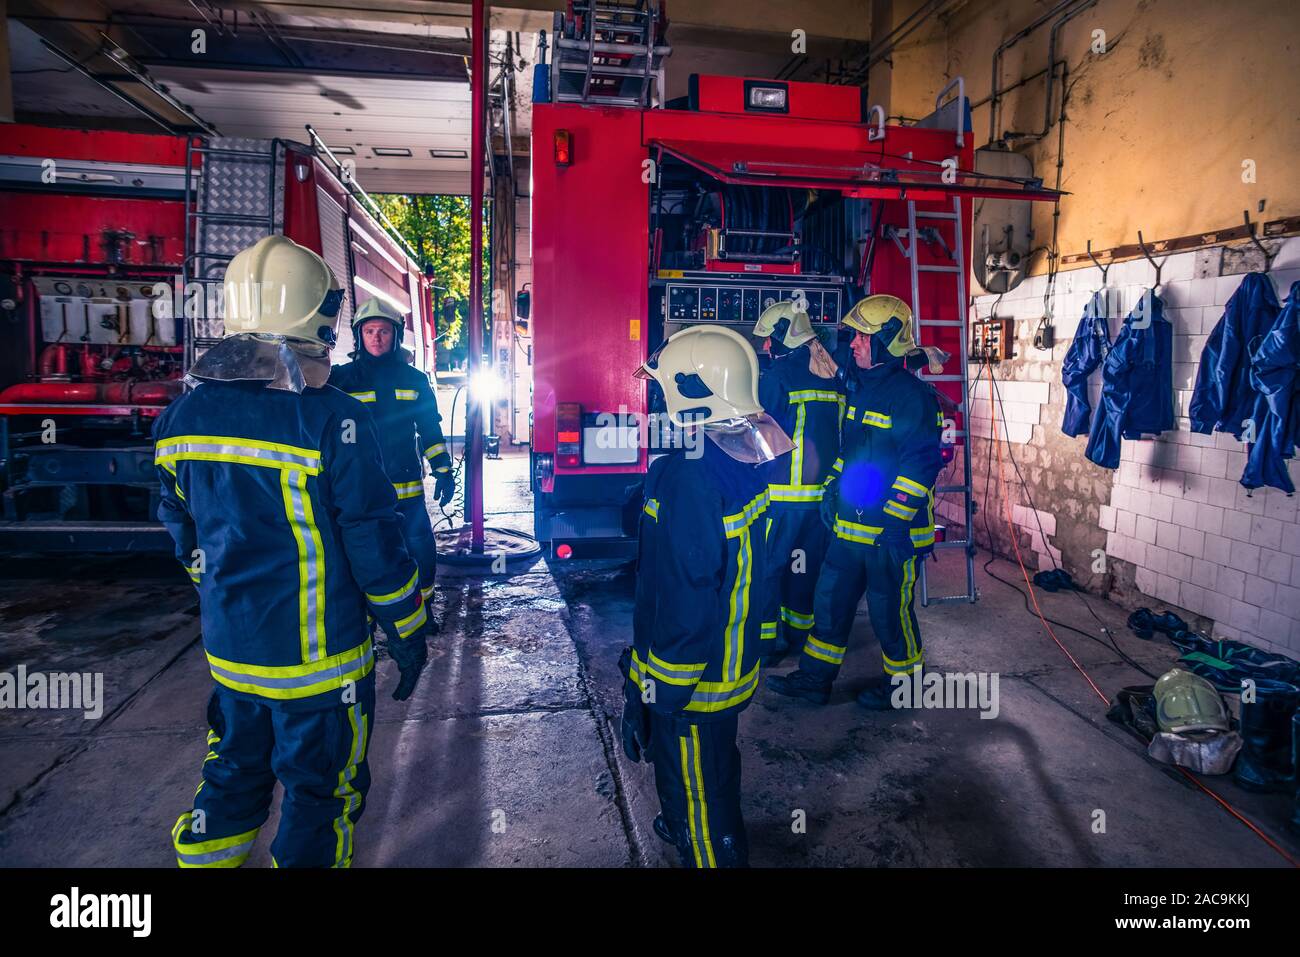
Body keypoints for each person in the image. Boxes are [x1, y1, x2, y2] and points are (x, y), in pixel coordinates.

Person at [155, 235, 433, 867]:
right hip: (320, 665)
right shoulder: (332, 418)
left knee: (230, 779)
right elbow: (372, 539)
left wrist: (223, 591)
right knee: (321, 795)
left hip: (233, 657)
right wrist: (408, 627)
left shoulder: (179, 419)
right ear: (318, 320)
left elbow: (185, 536)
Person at [620, 324, 793, 867]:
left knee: (695, 789)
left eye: (663, 387)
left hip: (691, 679)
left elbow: (686, 595)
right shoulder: (741, 460)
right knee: (714, 772)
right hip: (731, 664)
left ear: (690, 394)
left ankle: (706, 847)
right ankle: (690, 827)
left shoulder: (688, 480)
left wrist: (656, 693)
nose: (656, 397)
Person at [766, 294, 944, 710]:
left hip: (889, 535)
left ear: (887, 340)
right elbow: (849, 452)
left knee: (889, 613)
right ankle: (813, 680)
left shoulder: (912, 397)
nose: (854, 345)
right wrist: (830, 487)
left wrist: (896, 524)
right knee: (829, 604)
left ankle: (905, 688)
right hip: (849, 529)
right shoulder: (862, 389)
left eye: (863, 337)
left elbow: (920, 467)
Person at [328, 298, 454, 611]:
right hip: (358, 489)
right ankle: (368, 618)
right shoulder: (341, 380)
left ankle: (422, 609)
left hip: (405, 487)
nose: (376, 337)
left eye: (383, 331)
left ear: (395, 336)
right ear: (359, 336)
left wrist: (442, 469)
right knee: (365, 553)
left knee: (419, 549)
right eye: (369, 331)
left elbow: (430, 429)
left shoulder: (413, 380)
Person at [752, 300, 843, 664]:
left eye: (769, 340)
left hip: (782, 499)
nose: (766, 348)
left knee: (769, 568)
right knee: (804, 568)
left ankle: (766, 642)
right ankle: (799, 634)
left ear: (781, 335)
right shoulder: (829, 372)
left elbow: (761, 434)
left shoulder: (779, 377)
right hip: (819, 503)